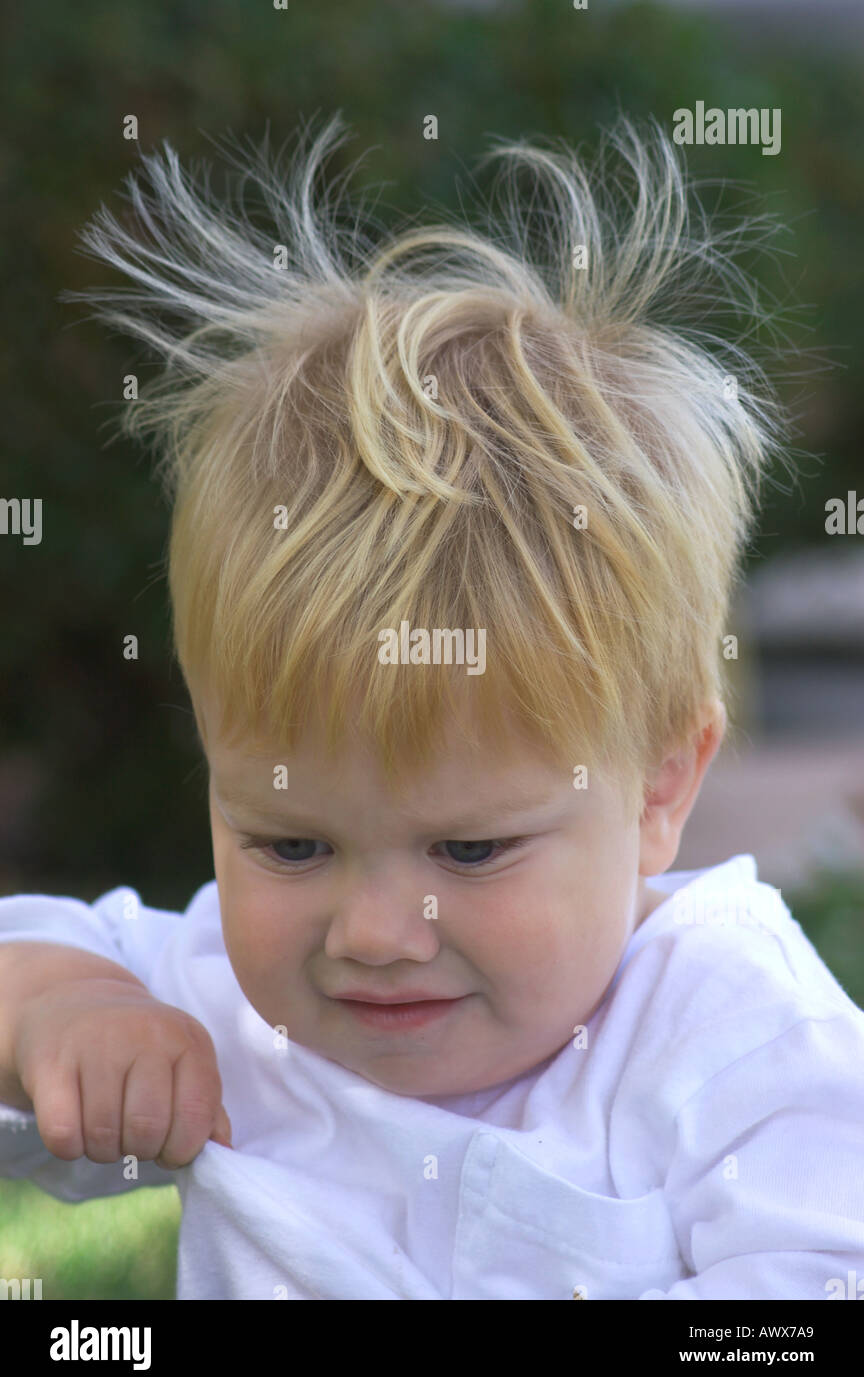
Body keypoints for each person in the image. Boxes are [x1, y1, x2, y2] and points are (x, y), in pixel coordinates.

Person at [1, 113, 862, 1300]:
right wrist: (65, 1012)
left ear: (663, 784)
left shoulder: (728, 1029)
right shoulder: (250, 1012)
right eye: (291, 843)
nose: (374, 933)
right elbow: (31, 959)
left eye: (468, 849)